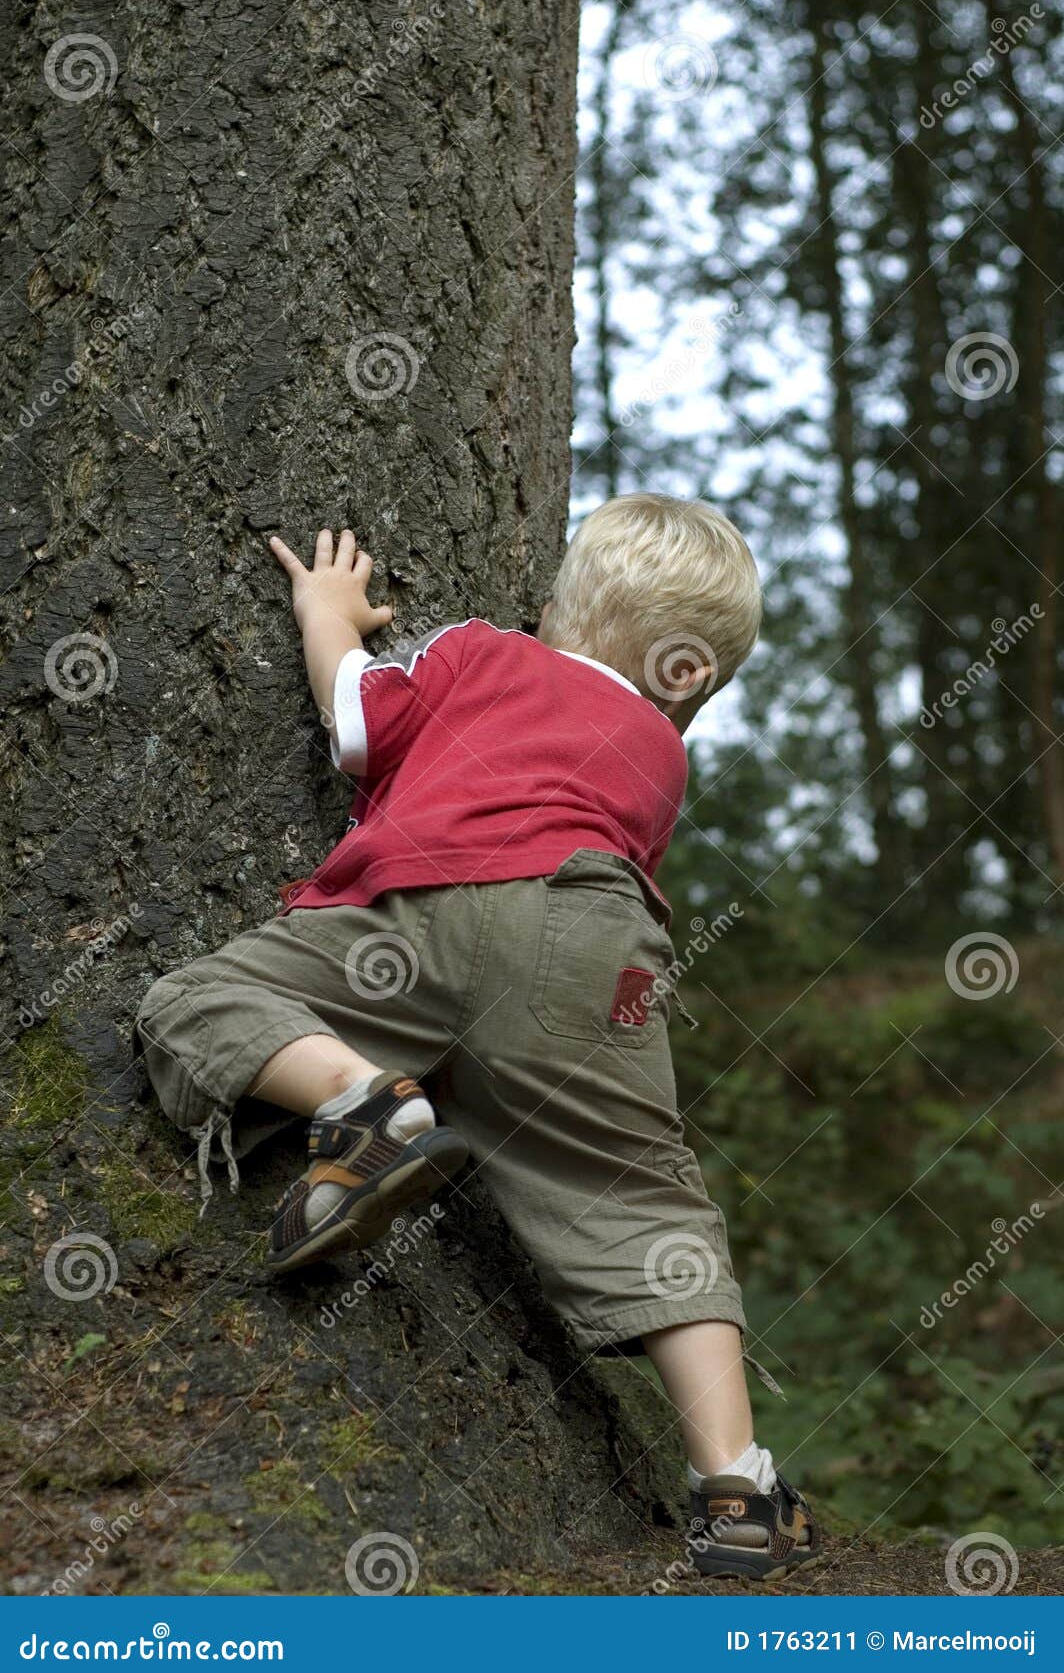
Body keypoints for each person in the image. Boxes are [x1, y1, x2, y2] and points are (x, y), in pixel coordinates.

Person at [135, 493, 820, 1579]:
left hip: (405, 928)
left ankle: (360, 1102)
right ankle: (736, 1487)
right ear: (685, 676)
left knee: (194, 1000)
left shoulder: (480, 652)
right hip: (590, 942)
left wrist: (326, 610)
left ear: (552, 607)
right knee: (643, 1195)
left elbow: (358, 727)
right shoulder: (659, 754)